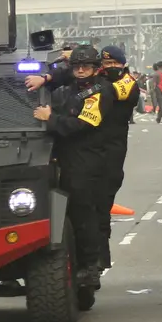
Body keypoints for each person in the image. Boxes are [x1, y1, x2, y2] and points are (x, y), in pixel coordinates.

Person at [33, 45, 115, 293]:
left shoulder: (101, 90)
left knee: (84, 216)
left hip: (87, 162)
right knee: (68, 216)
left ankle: (91, 268)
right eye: (77, 66)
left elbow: (82, 125)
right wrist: (45, 78)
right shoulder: (73, 86)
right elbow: (61, 77)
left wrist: (51, 120)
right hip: (66, 160)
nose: (80, 70)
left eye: (86, 66)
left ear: (95, 68)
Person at [94, 45, 139, 267]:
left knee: (102, 205)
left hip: (112, 152)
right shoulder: (97, 80)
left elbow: (108, 94)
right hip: (89, 150)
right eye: (106, 64)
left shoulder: (128, 84)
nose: (110, 68)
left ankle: (102, 256)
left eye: (114, 64)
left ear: (123, 65)